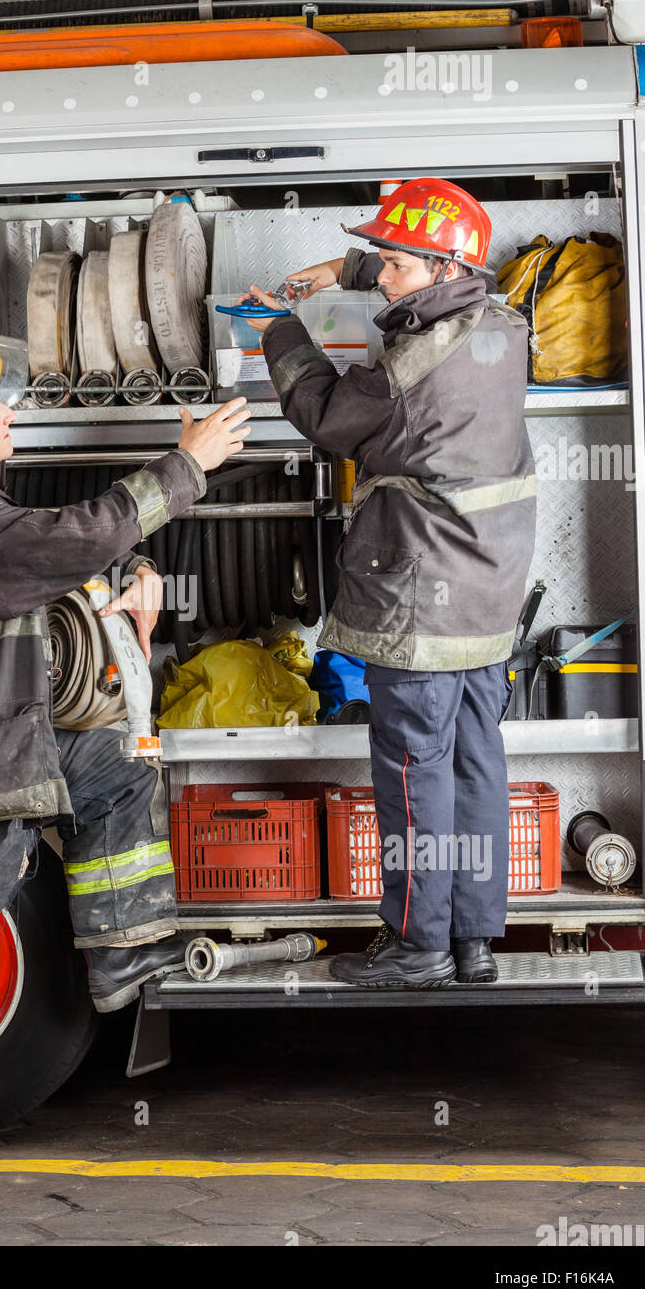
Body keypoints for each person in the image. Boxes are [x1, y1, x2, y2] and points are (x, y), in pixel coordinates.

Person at [0, 331, 250, 1187]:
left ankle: (123, 950)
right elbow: (52, 544)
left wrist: (128, 572)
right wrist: (185, 466)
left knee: (113, 760)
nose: (9, 411)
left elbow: (51, 563)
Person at [244, 178, 535, 991]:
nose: (388, 276)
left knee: (411, 775)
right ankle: (473, 939)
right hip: (484, 595)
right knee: (475, 763)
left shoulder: (410, 362)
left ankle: (416, 945)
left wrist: (278, 329)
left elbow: (328, 417)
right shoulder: (501, 321)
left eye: (399, 265)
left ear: (441, 268)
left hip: (419, 596)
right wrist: (341, 271)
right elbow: (409, 280)